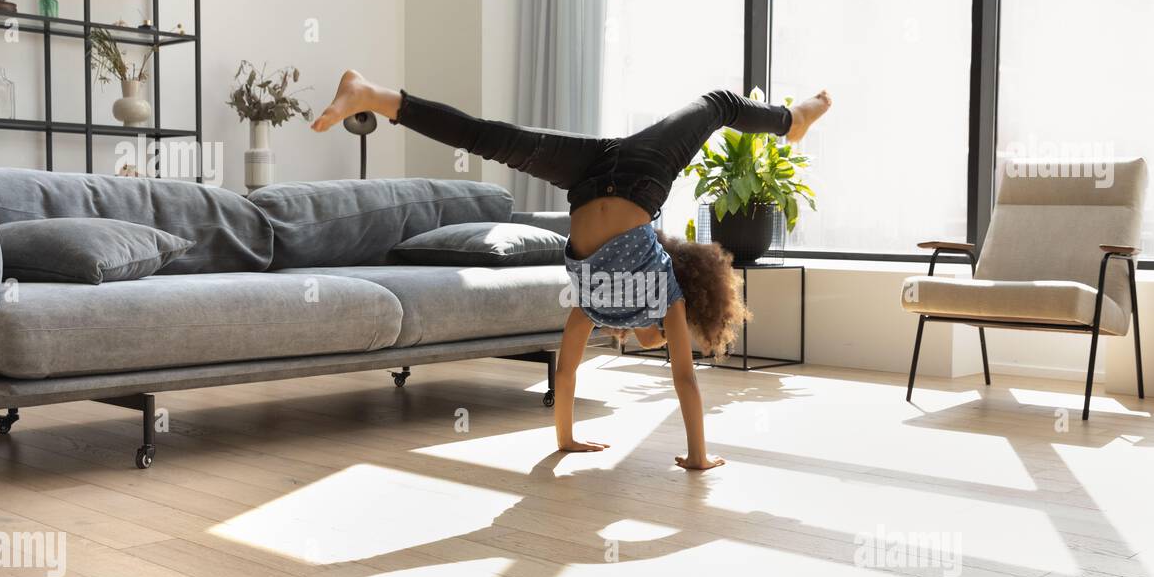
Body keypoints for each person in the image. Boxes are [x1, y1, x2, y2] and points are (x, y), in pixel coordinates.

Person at [312, 72, 830, 470]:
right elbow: (685, 377)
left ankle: (374, 96)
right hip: (641, 179)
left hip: (589, 175)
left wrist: (565, 440)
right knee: (718, 105)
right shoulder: (665, 292)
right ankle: (793, 120)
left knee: (489, 137)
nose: (644, 340)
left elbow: (565, 373)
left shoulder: (594, 303)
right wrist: (698, 456)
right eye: (654, 339)